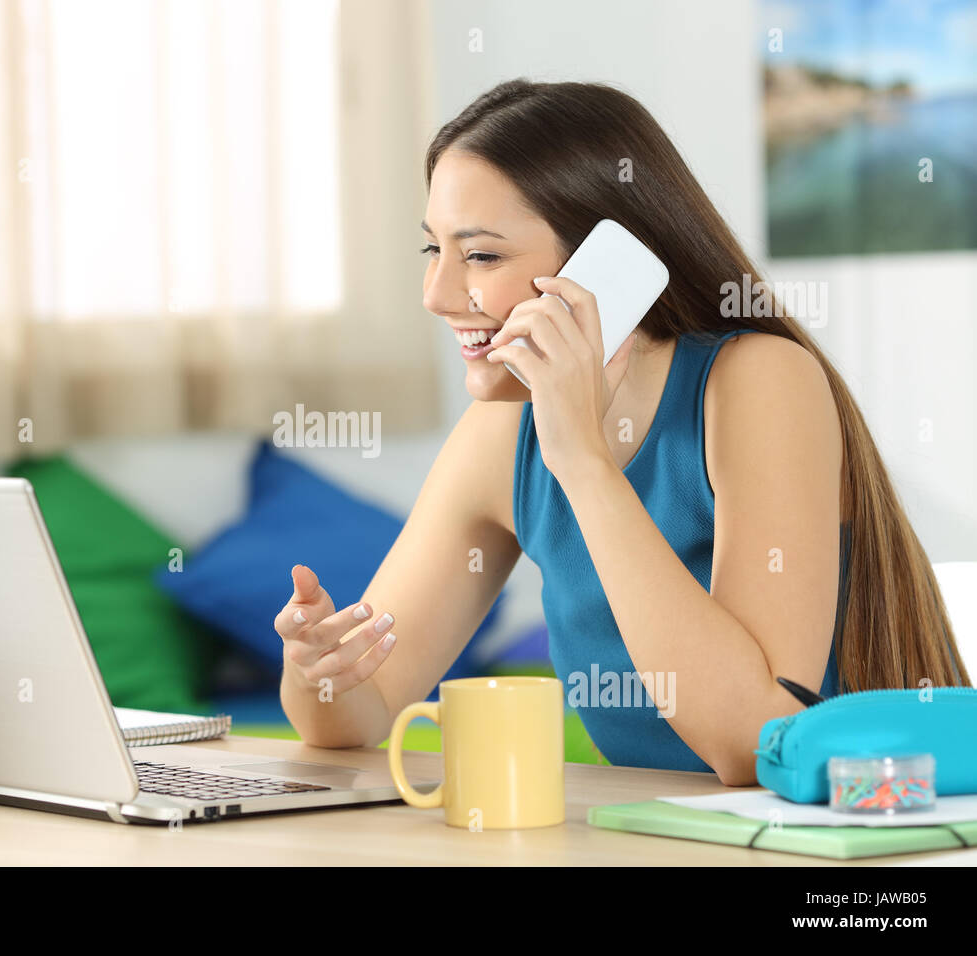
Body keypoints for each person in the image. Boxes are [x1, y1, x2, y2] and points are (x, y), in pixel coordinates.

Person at [273, 80, 969, 784]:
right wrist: (318, 674)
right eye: (434, 252)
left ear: (608, 268)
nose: (438, 295)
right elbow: (366, 712)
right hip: (652, 841)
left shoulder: (761, 382)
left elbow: (755, 745)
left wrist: (585, 463)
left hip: (844, 841)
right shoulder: (501, 436)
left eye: (481, 256)